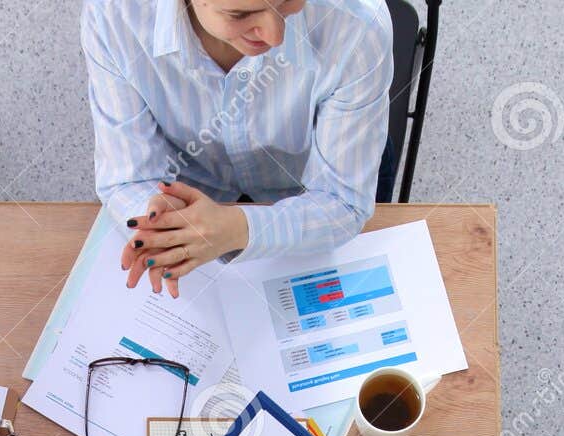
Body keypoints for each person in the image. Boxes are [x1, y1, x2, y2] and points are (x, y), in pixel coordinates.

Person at [80, 0, 393, 297]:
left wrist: (237, 228)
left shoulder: (357, 22)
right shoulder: (114, 14)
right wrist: (164, 230)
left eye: (288, 0)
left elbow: (342, 201)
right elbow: (128, 179)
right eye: (239, 14)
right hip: (186, 195)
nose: (275, 35)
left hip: (305, 196)